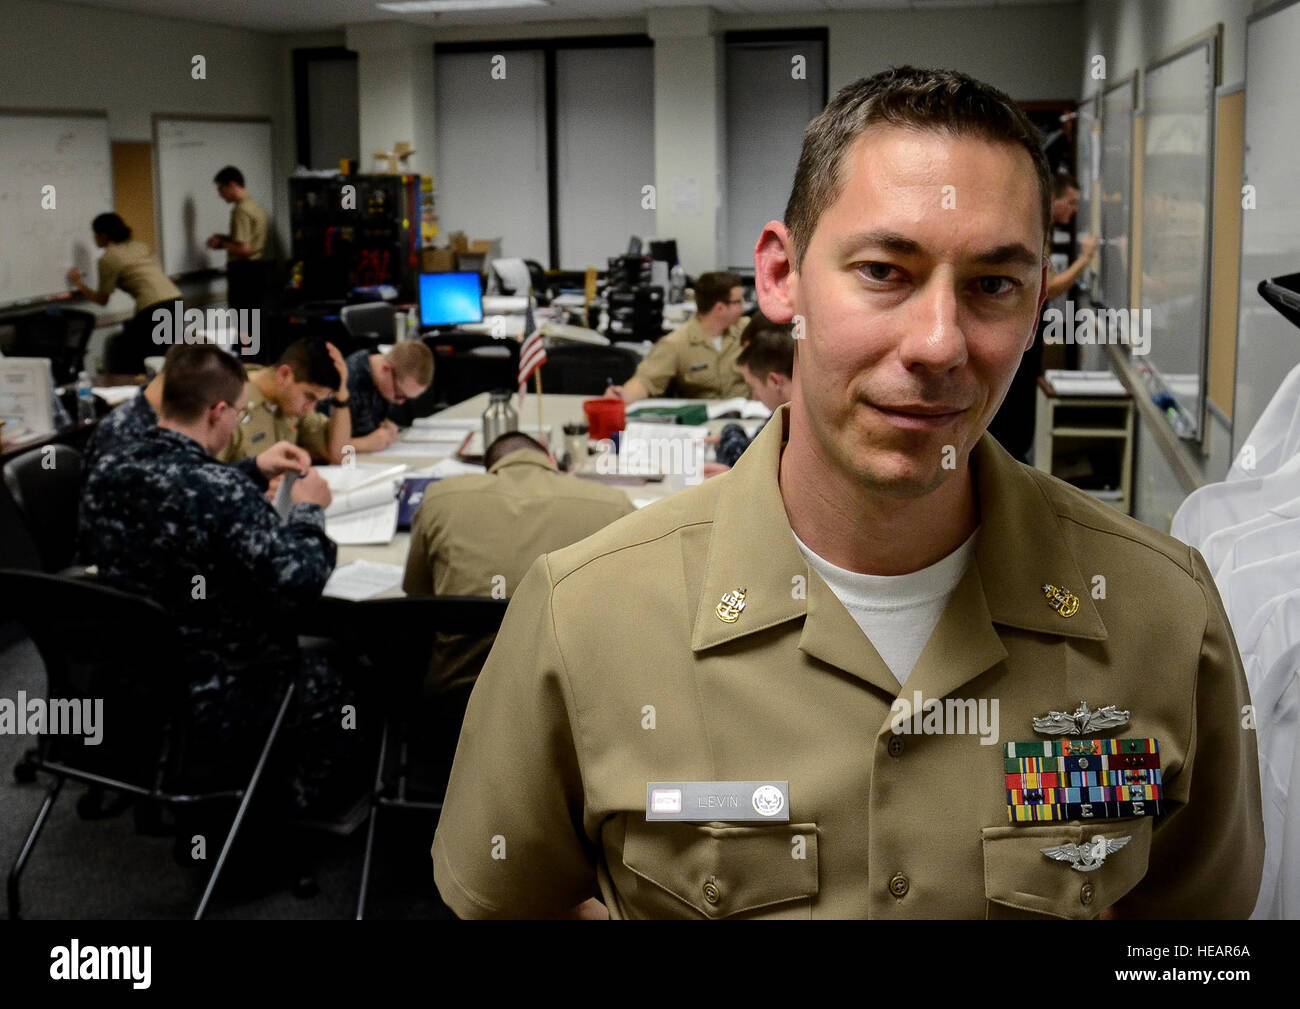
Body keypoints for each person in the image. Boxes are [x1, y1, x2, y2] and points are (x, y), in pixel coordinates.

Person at [431, 66, 1263, 919]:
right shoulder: (583, 615)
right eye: (883, 271)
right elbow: (506, 901)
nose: (939, 344)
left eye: (993, 286)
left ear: (1037, 305)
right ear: (781, 276)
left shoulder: (1166, 616)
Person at [79, 343, 359, 816]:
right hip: (222, 685)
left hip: (133, 676)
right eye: (239, 414)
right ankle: (290, 813)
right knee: (348, 672)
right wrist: (310, 509)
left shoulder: (107, 469)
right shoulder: (218, 491)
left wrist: (252, 467)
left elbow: (175, 491)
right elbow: (299, 582)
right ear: (218, 411)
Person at [987, 170, 1099, 462]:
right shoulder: (1029, 229)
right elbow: (1048, 288)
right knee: (1011, 422)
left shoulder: (1042, 231)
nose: (1074, 211)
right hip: (1018, 341)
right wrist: (1085, 260)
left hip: (1029, 339)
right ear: (1051, 199)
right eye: (1070, 203)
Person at [66, 212, 182, 375]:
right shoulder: (140, 247)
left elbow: (102, 298)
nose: (95, 239)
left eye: (95, 235)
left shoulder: (108, 258)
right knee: (169, 354)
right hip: (175, 300)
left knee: (149, 358)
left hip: (152, 307)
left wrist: (79, 284)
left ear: (103, 236)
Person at [605, 272, 750, 402]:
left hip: (750, 421)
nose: (744, 306)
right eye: (738, 302)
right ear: (720, 308)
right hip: (706, 422)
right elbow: (646, 381)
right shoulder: (676, 343)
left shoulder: (747, 330)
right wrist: (621, 397)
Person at [218, 338, 352, 465]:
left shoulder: (289, 402)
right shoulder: (229, 402)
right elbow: (204, 474)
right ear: (284, 375)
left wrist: (342, 397)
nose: (311, 409)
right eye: (309, 396)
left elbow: (340, 456)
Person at [711, 314, 795, 472]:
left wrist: (735, 478)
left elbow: (745, 462)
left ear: (776, 381)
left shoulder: (796, 425)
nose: (755, 398)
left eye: (754, 387)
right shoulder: (790, 414)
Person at [319, 341, 434, 452]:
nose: (400, 403)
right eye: (400, 395)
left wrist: (386, 427)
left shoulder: (384, 382)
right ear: (386, 369)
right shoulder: (348, 381)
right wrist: (363, 443)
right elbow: (319, 445)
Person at [207, 165, 267, 262]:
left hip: (242, 269)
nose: (220, 194)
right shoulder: (253, 205)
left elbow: (244, 249)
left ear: (232, 185)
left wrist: (221, 243)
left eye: (220, 188)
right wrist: (226, 239)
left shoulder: (241, 210)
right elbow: (248, 241)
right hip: (257, 264)